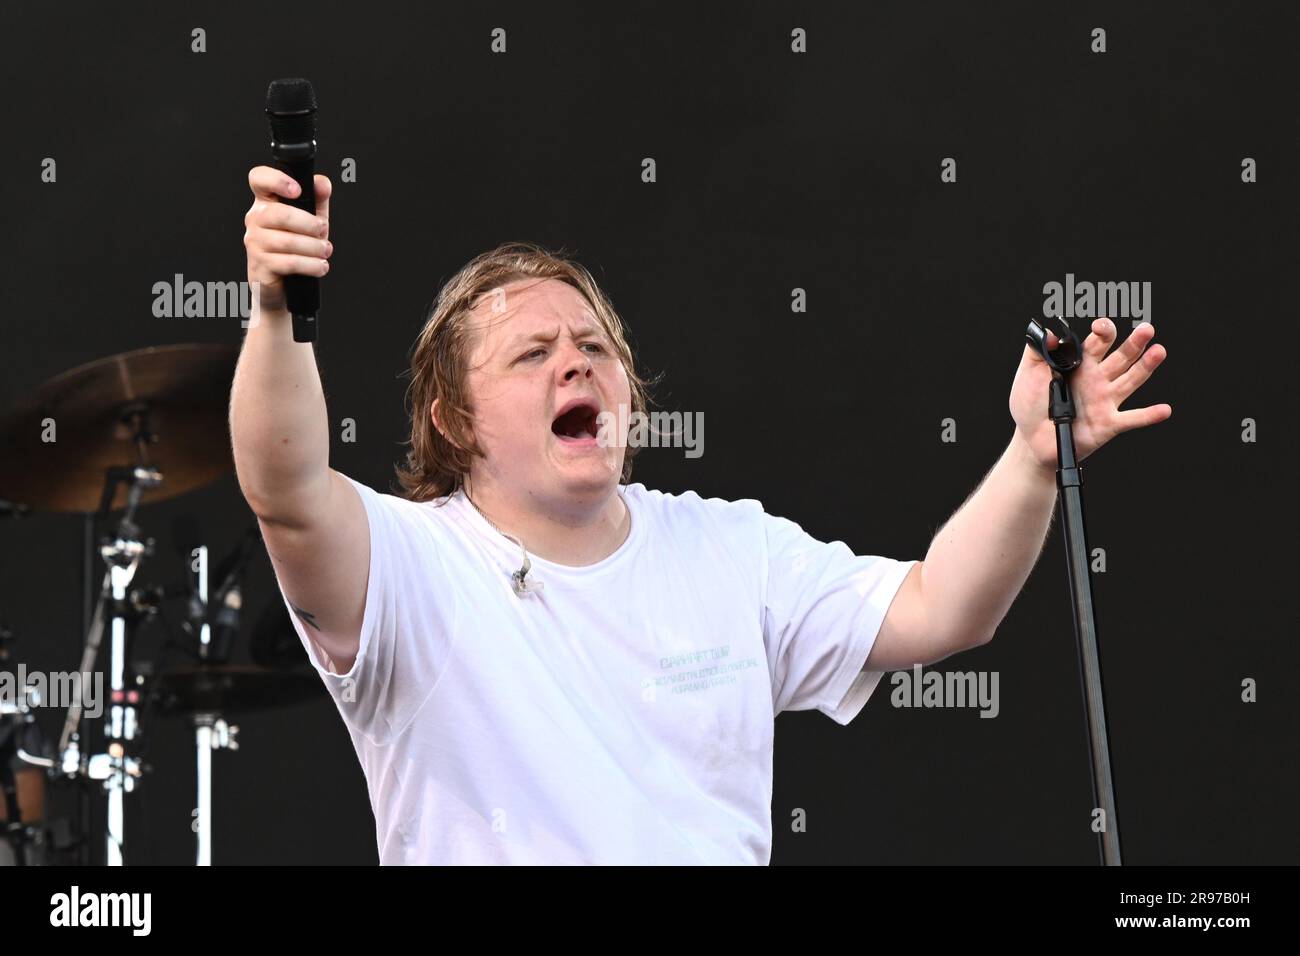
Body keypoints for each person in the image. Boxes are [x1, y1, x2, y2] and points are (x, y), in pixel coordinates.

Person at [229, 168, 1171, 864]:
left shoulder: (725, 547)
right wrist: (276, 308)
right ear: (453, 416)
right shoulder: (409, 563)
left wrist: (1033, 458)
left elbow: (942, 609)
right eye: (532, 354)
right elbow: (286, 487)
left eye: (595, 345)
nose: (576, 363)